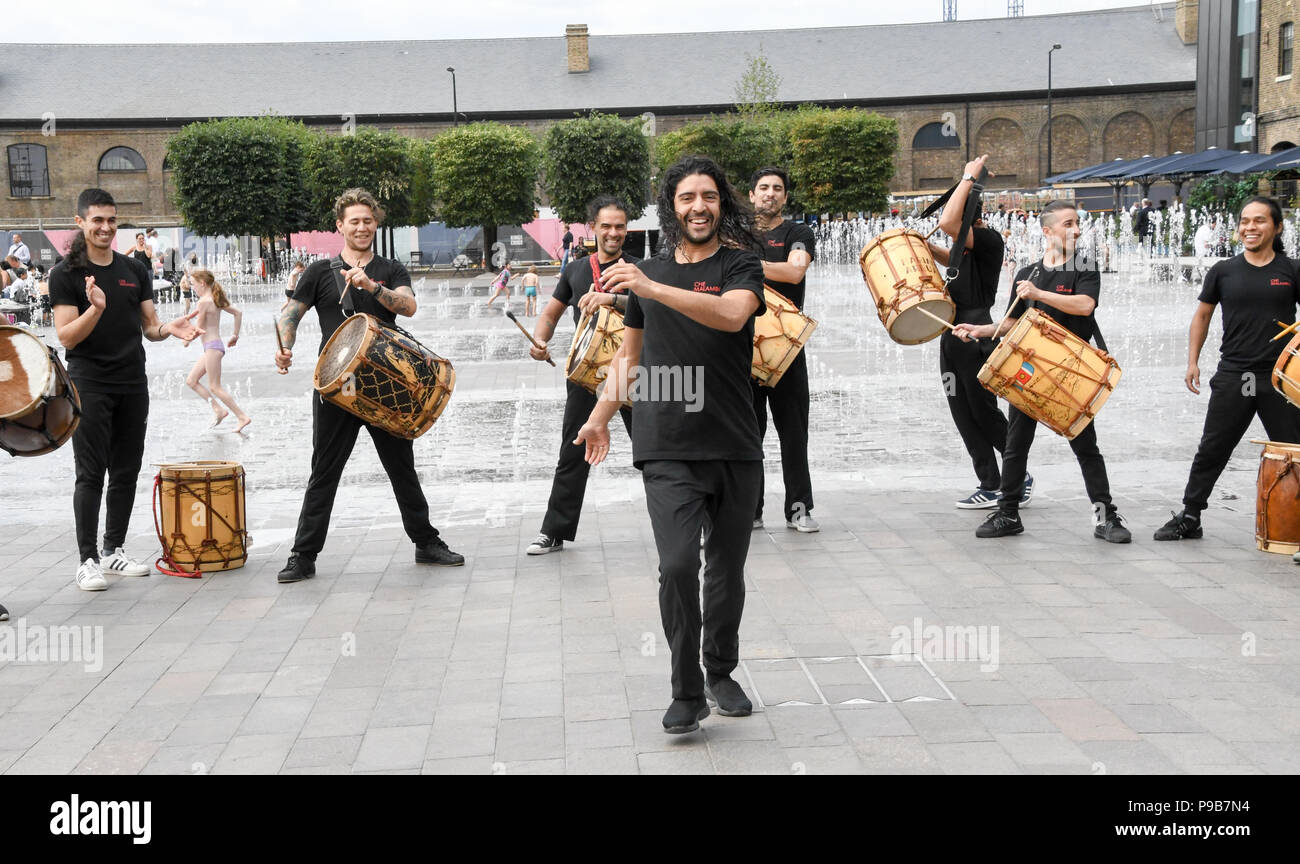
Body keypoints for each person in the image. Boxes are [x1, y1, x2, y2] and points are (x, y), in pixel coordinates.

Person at [575, 156, 765, 734]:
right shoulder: (647, 276)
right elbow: (629, 360)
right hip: (667, 441)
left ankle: (720, 669)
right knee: (679, 564)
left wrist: (654, 287)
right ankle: (686, 691)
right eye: (687, 198)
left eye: (708, 196)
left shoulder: (740, 264)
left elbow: (734, 317)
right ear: (672, 206)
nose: (699, 206)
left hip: (733, 438)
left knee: (726, 569)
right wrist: (600, 416)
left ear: (721, 202)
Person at [274, 187, 463, 582]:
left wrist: (372, 288)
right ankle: (303, 555)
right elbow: (290, 313)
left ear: (376, 224)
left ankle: (426, 542)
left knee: (401, 468)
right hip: (337, 388)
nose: (361, 227)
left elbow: (408, 306)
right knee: (324, 470)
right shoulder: (319, 272)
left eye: (368, 220)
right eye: (353, 221)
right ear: (340, 225)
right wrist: (285, 347)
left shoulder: (391, 269)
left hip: (386, 385)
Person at [50, 188, 204, 591]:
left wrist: (169, 328)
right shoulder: (65, 273)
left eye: (111, 220)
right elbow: (66, 338)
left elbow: (149, 327)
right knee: (90, 473)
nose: (105, 227)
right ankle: (87, 559)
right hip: (88, 383)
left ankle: (113, 549)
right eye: (97, 220)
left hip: (133, 382)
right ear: (80, 222)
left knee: (125, 471)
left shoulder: (134, 270)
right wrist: (96, 309)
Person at [953, 200, 1131, 544]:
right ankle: (1008, 513)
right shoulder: (1027, 274)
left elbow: (1085, 305)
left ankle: (1105, 516)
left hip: (1070, 373)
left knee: (1086, 447)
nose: (1076, 229)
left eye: (1077, 223)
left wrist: (1039, 294)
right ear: (1047, 231)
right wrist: (980, 330)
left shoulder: (1084, 266)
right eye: (1068, 224)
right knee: (1016, 445)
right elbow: (1011, 323)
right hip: (1030, 370)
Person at [1155, 197, 1300, 542]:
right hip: (1236, 375)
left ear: (1277, 227)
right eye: (1245, 221)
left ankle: (1293, 525)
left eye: (1260, 221)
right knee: (1213, 447)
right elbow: (1202, 316)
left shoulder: (1291, 270)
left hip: (1279, 380)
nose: (1250, 227)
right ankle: (1190, 515)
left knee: (1294, 451)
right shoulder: (1224, 270)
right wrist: (1192, 361)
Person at [525, 196, 637, 555]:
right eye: (606, 225)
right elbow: (551, 314)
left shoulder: (640, 269)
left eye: (619, 226)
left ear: (626, 229)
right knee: (572, 451)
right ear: (593, 228)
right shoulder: (574, 271)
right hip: (585, 375)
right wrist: (540, 341)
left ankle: (686, 523)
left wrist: (613, 301)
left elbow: (659, 308)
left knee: (655, 450)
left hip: (633, 371)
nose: (613, 232)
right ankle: (554, 531)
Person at [926, 155, 1026, 510]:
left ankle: (1018, 475)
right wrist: (924, 248)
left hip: (976, 332)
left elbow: (947, 221)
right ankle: (990, 481)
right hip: (951, 332)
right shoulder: (965, 243)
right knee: (962, 411)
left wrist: (969, 176)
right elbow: (951, 255)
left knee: (984, 411)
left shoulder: (988, 239)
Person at [747, 166, 820, 532]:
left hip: (787, 348)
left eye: (777, 188)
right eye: (763, 188)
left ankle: (799, 509)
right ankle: (750, 510)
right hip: (743, 349)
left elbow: (794, 273)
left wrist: (742, 264)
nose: (770, 193)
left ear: (785, 197)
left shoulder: (798, 232)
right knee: (747, 435)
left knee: (794, 433)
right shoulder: (736, 234)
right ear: (751, 195)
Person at [185, 269, 251, 433]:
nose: (192, 288)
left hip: (213, 347)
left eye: (193, 284)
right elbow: (238, 313)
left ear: (202, 283)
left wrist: (186, 339)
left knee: (215, 387)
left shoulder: (204, 302)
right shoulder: (214, 298)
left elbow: (199, 328)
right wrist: (235, 335)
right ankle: (218, 410)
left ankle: (242, 416)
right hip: (214, 346)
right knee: (191, 380)